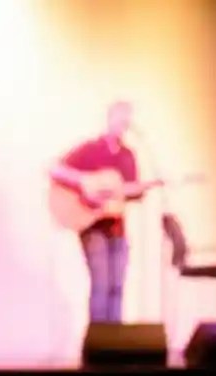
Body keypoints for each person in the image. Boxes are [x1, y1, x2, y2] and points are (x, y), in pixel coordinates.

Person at [50, 101, 156, 324]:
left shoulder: (128, 155)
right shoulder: (91, 149)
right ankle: (97, 347)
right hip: (92, 227)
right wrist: (85, 181)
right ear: (109, 118)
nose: (123, 124)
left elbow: (128, 189)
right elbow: (54, 168)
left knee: (117, 288)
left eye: (126, 119)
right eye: (119, 118)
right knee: (101, 285)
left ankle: (113, 347)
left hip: (118, 228)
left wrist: (145, 187)